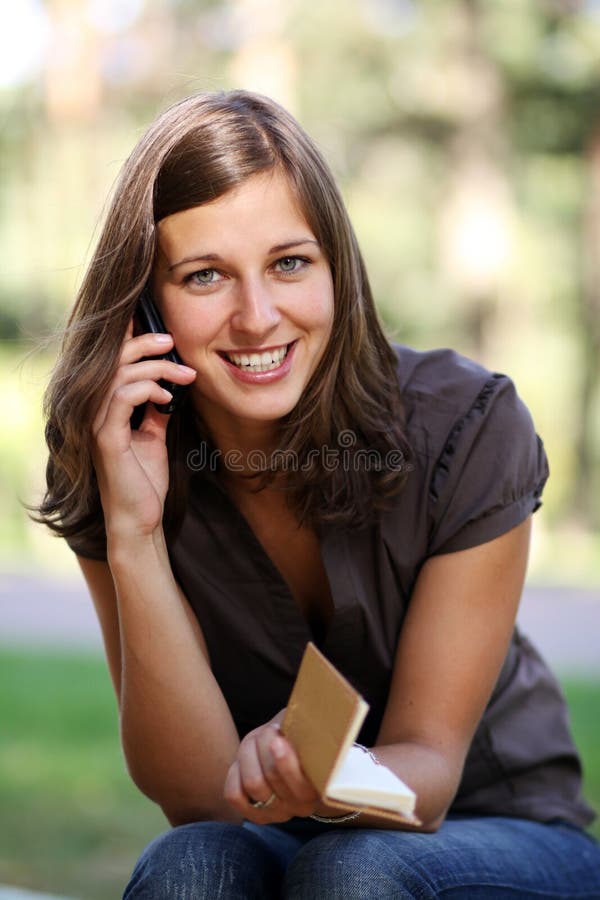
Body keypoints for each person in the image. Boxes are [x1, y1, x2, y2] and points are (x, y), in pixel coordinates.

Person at [36, 89, 600, 899]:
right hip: (277, 838)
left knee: (355, 870)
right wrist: (135, 533)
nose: (258, 316)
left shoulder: (468, 428)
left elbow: (429, 777)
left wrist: (329, 777)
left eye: (289, 263)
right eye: (205, 277)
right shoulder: (113, 453)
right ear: (145, 307)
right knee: (188, 867)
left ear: (337, 267)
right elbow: (196, 799)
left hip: (497, 832)